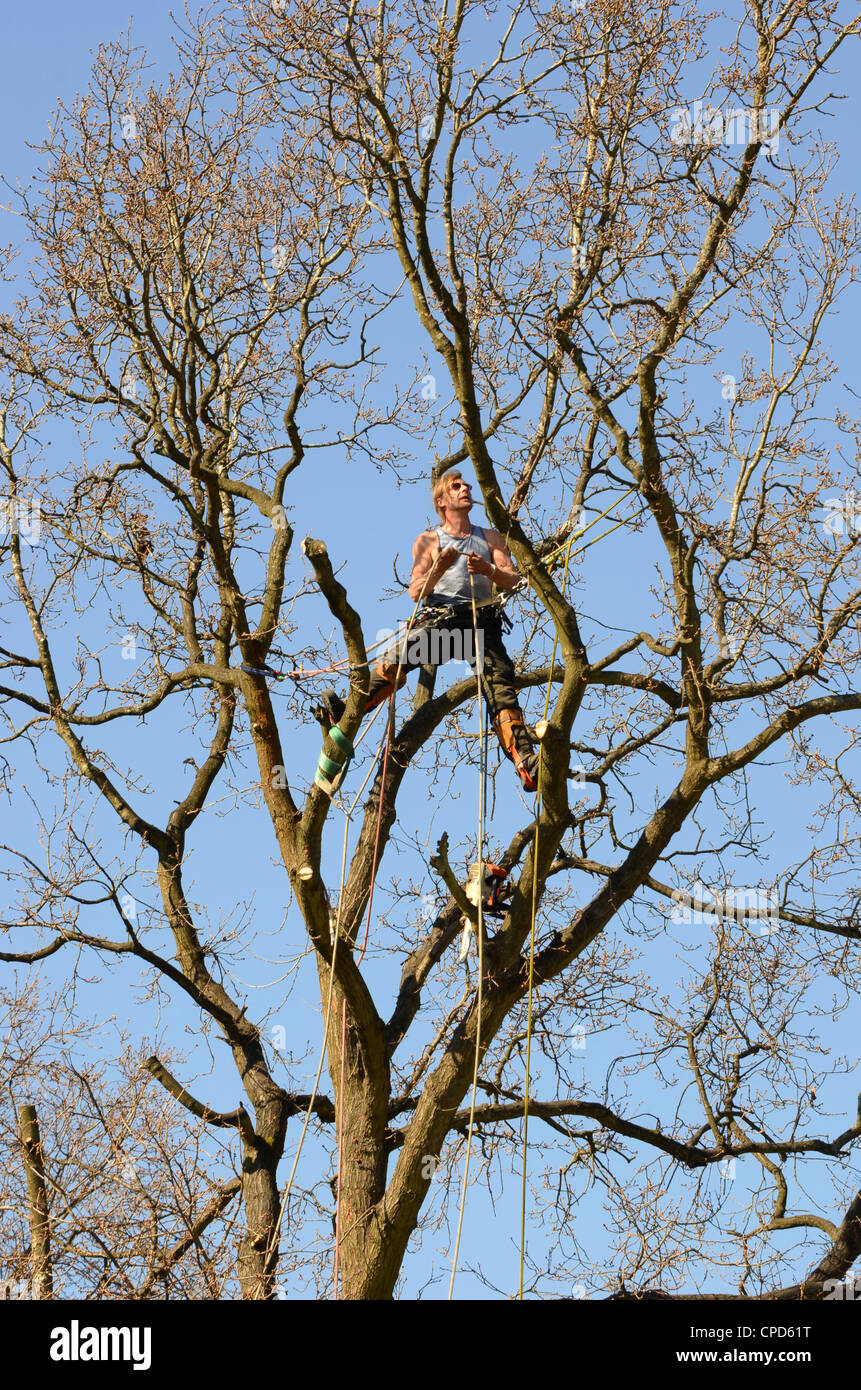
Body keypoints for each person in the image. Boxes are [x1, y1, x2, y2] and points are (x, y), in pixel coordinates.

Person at [316, 471, 539, 792]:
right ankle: (350, 709)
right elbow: (416, 591)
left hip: (482, 625)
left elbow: (515, 580)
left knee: (500, 682)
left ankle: (524, 760)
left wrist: (489, 569)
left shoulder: (491, 538)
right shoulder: (429, 541)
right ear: (441, 502)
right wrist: (440, 567)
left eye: (466, 485)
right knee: (396, 660)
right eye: (456, 487)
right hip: (442, 621)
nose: (466, 489)